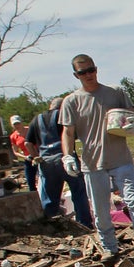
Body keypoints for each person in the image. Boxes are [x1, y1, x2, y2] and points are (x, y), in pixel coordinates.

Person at [59, 54, 134, 267]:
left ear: (96, 69)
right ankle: (109, 249)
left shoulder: (115, 93)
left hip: (121, 160)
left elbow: (132, 114)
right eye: (83, 72)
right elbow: (67, 132)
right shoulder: (71, 101)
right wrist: (68, 155)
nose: (88, 75)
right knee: (100, 211)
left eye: (91, 70)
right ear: (76, 75)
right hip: (92, 164)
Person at [25, 97, 93, 228]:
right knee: (78, 192)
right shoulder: (63, 117)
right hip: (65, 159)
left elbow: (27, 143)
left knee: (50, 196)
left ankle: (53, 225)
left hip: (46, 162)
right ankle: (84, 224)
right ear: (62, 107)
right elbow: (72, 134)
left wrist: (35, 156)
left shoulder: (36, 119)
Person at [7, 115, 36, 192]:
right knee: (30, 180)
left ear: (21, 123)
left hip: (37, 155)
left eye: (18, 123)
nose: (17, 126)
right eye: (15, 124)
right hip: (28, 158)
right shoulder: (13, 136)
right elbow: (15, 151)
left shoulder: (30, 130)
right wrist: (25, 157)